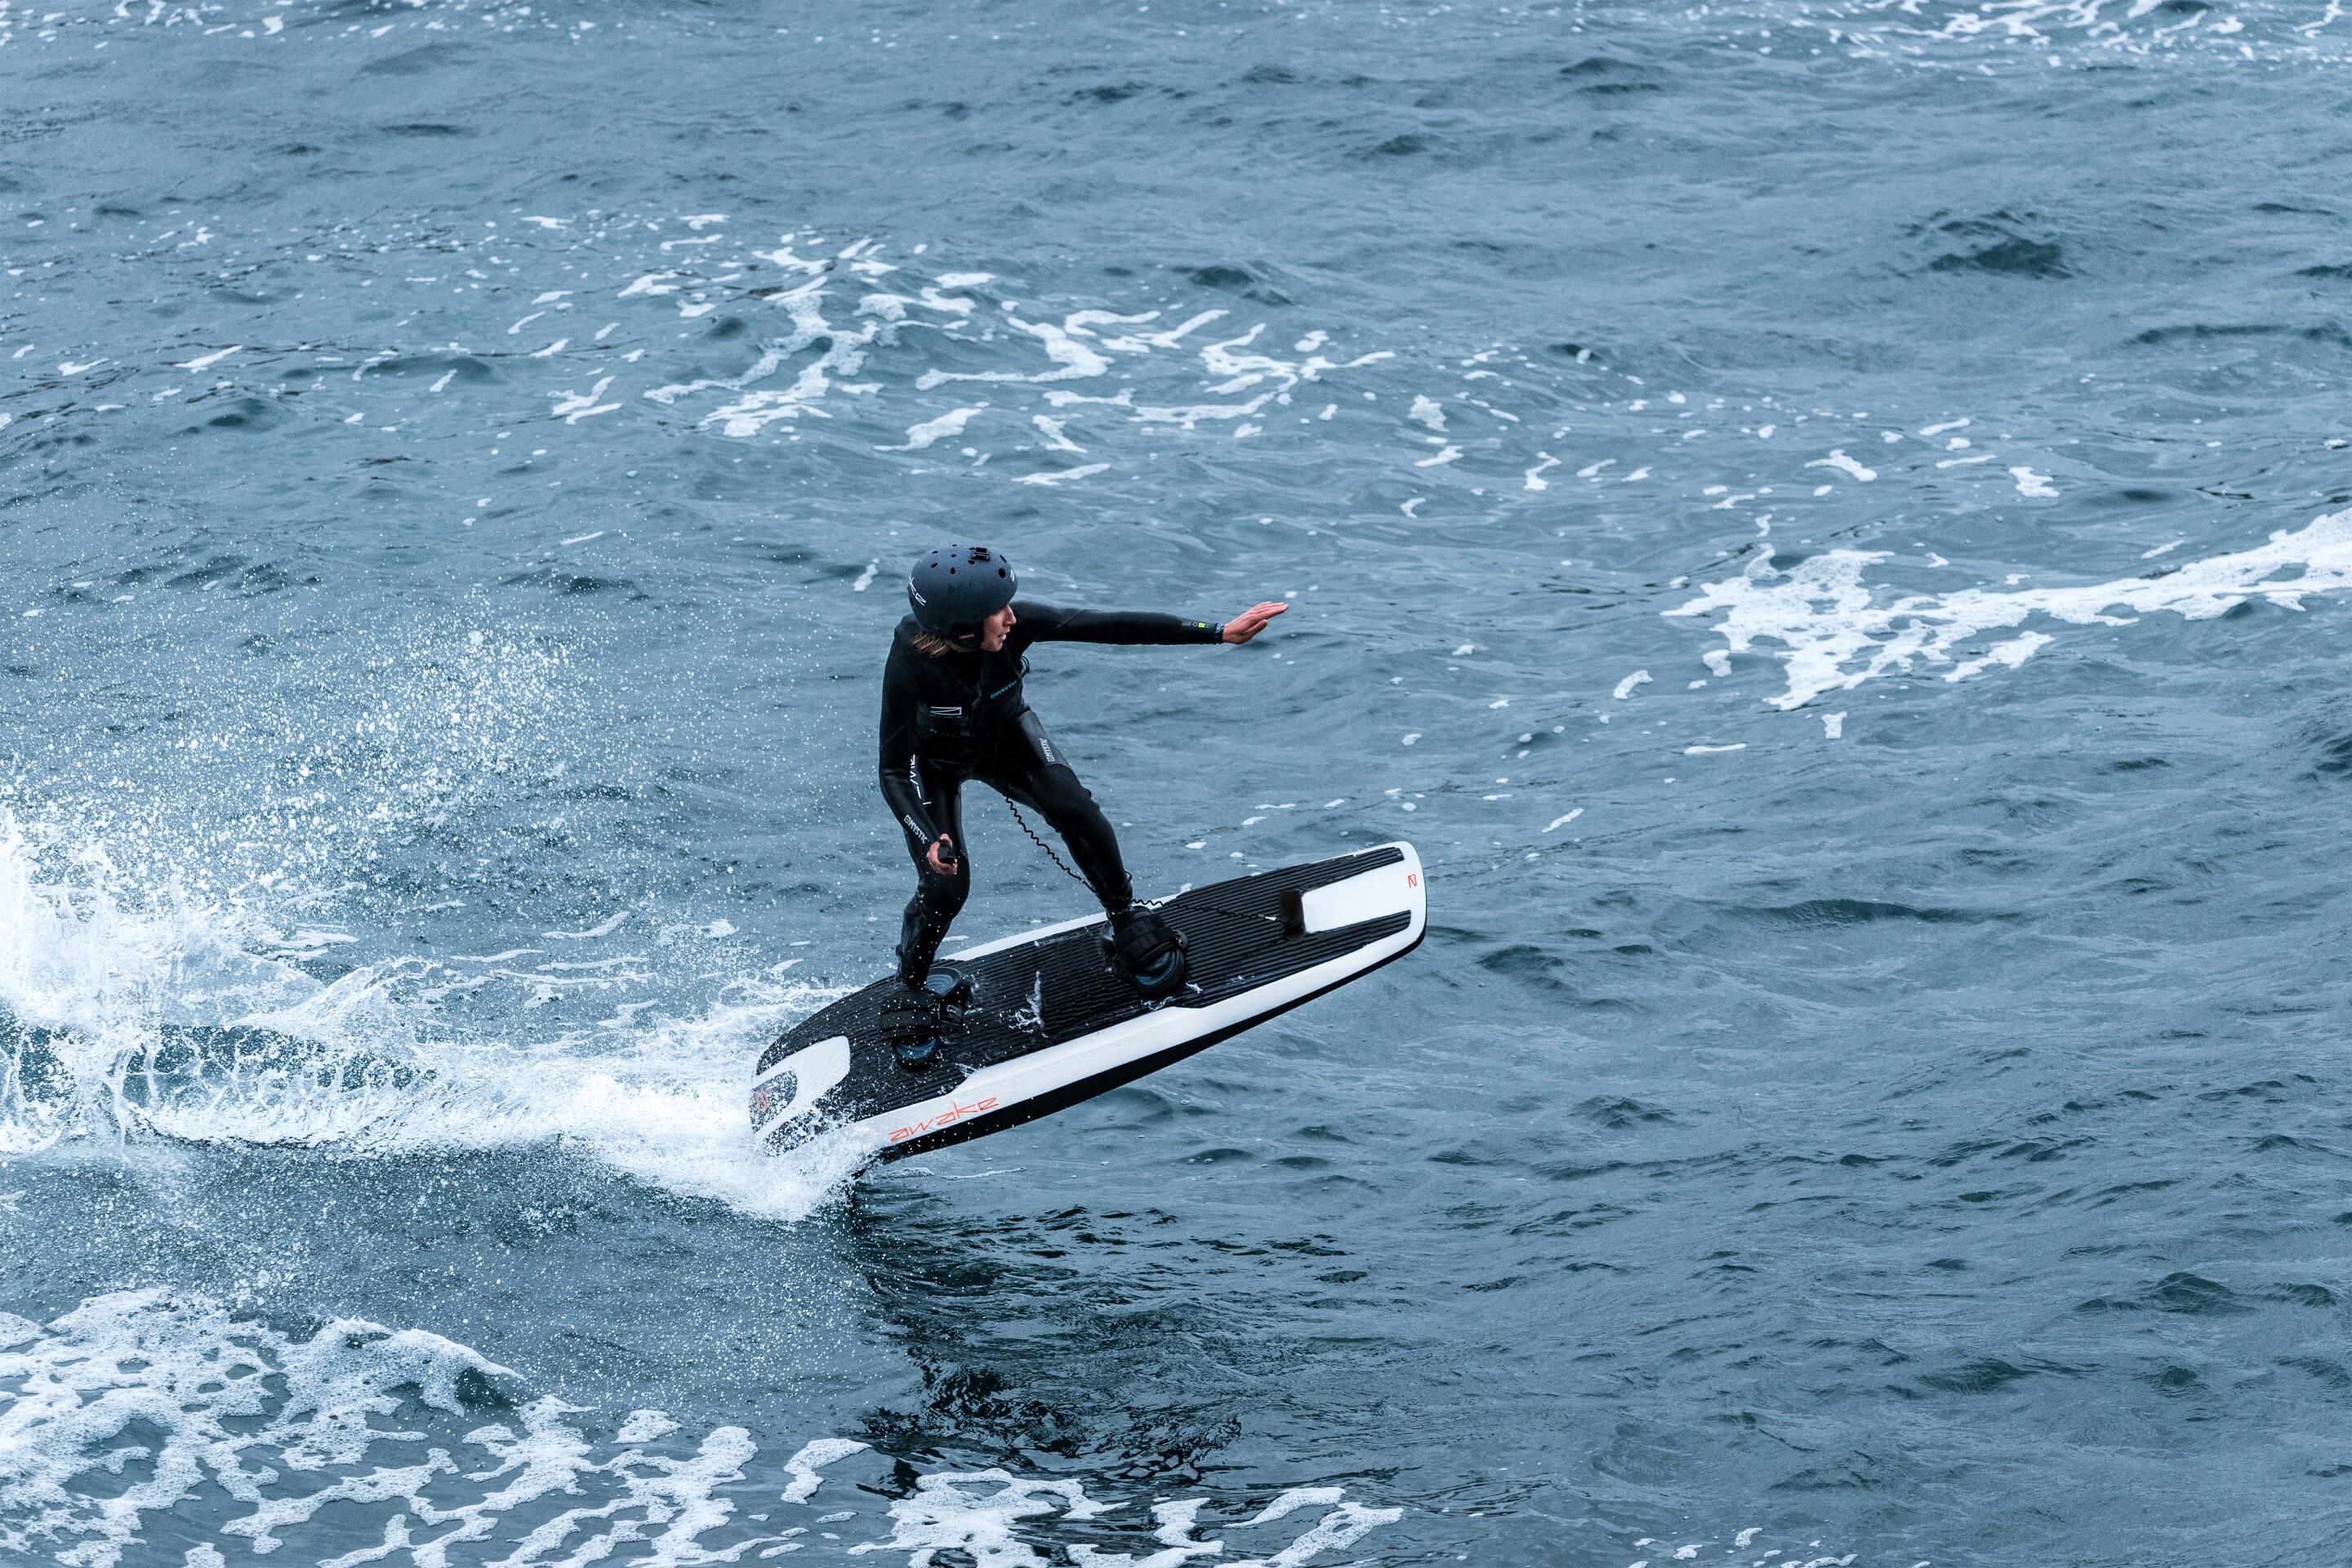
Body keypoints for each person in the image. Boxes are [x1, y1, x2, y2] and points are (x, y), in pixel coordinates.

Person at [878, 543, 1286, 1068]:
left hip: (1006, 740)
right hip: (934, 765)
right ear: (961, 631)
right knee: (947, 883)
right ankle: (911, 983)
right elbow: (892, 769)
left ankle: (1126, 918)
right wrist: (926, 834)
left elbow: (1107, 624)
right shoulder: (909, 661)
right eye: (997, 611)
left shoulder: (1014, 625)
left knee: (1076, 810)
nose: (1011, 616)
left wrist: (1217, 632)